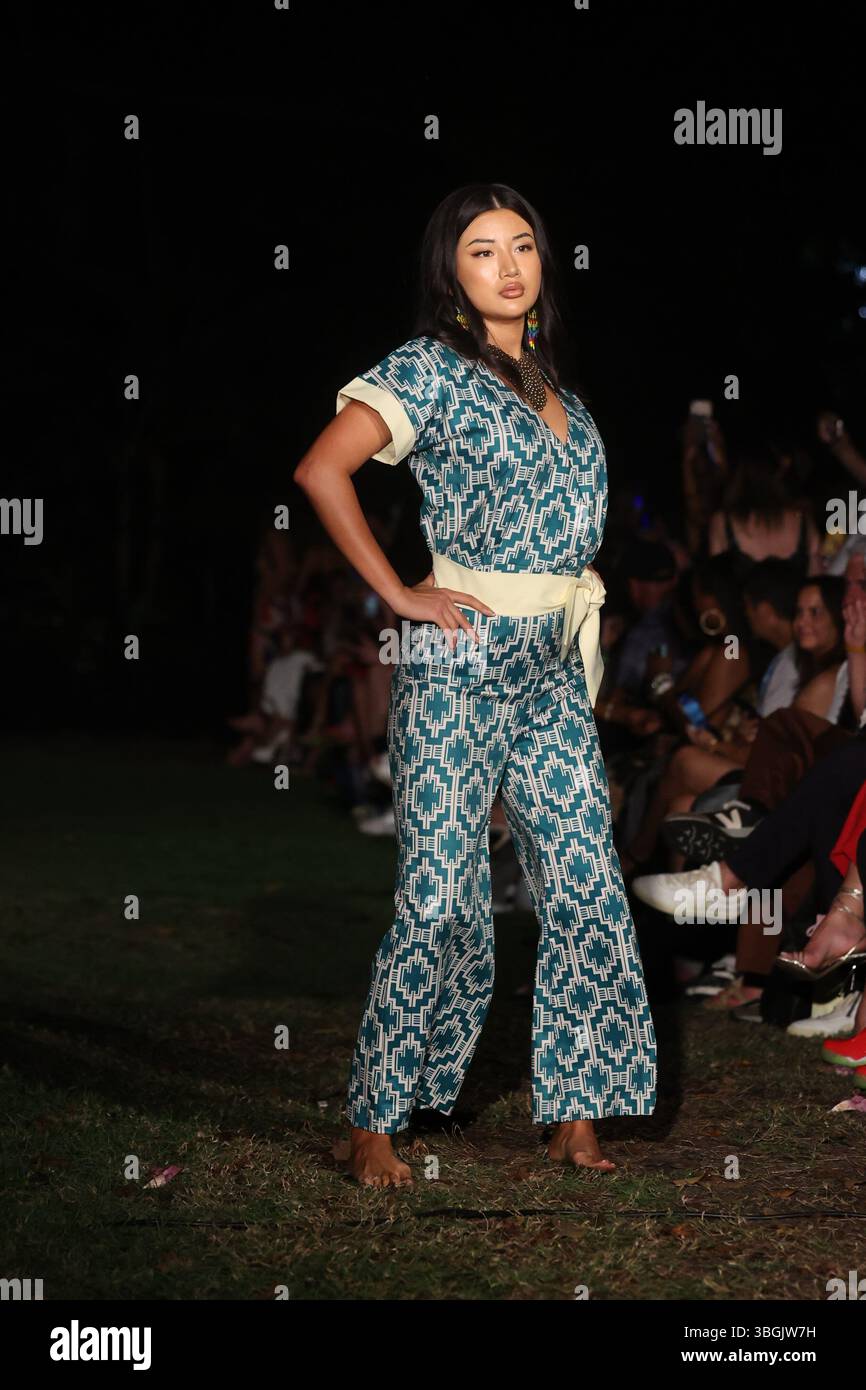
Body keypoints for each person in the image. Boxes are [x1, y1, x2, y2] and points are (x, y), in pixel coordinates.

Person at [294, 183, 657, 1186]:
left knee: (585, 880)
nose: (506, 265)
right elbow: (322, 470)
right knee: (439, 897)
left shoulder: (565, 398)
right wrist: (398, 595)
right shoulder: (429, 370)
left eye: (523, 246)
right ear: (449, 273)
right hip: (456, 656)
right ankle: (374, 1121)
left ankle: (575, 1114)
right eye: (481, 250)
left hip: (548, 665)